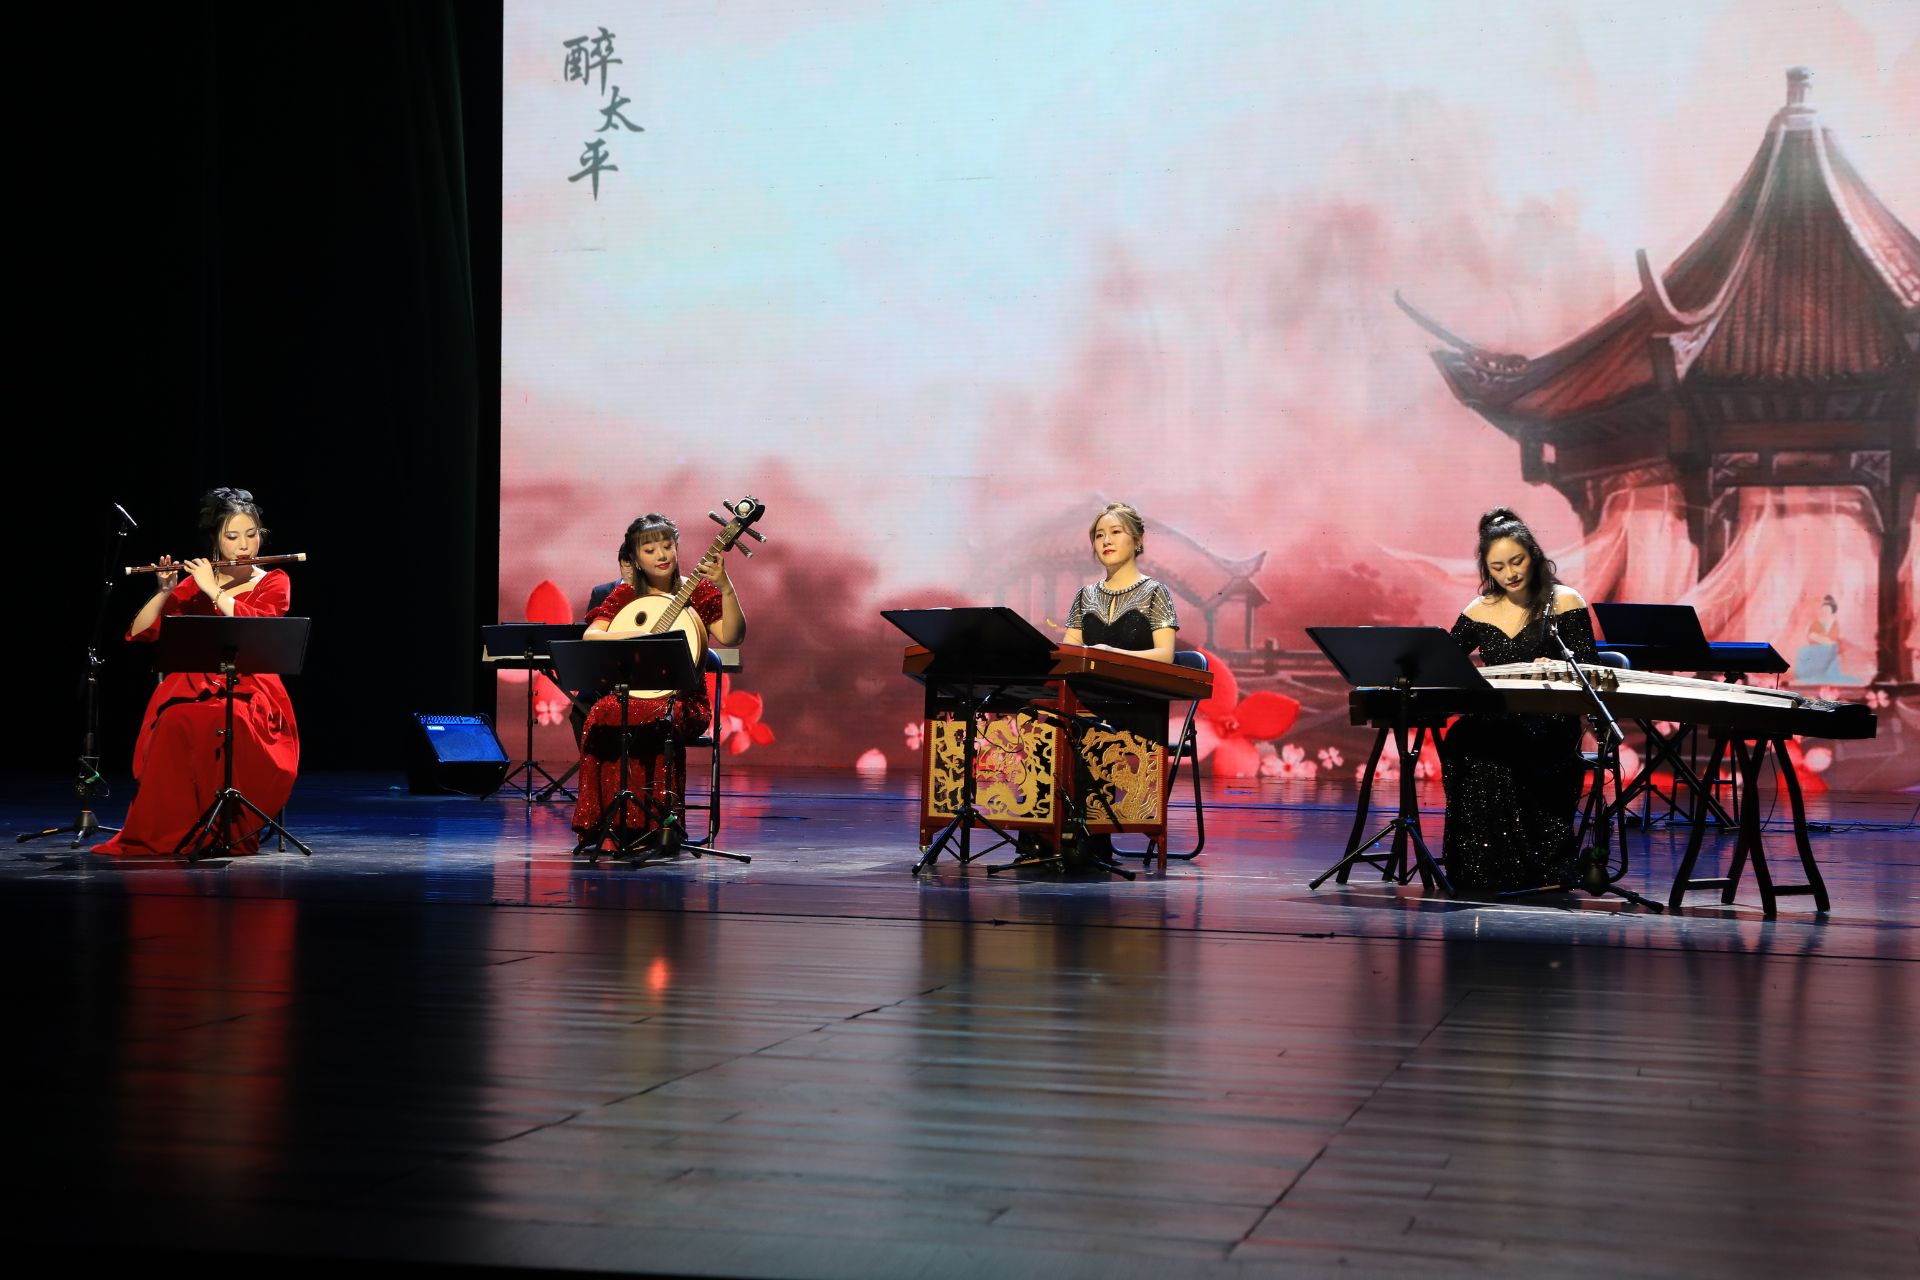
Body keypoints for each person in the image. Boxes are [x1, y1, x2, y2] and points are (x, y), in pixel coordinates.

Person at [96, 488, 299, 856]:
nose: (244, 545)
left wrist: (214, 592)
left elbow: (262, 628)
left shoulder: (274, 581)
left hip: (252, 691)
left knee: (227, 720)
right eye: (232, 536)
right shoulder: (194, 582)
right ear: (215, 539)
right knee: (177, 719)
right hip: (195, 685)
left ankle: (228, 827)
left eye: (251, 535)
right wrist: (164, 591)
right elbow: (140, 633)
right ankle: (177, 828)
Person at [1440, 507, 1596, 893]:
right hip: (1499, 717)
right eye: (1497, 567)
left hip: (1550, 720)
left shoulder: (1564, 601)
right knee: (1464, 737)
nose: (1509, 573)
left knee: (1504, 744)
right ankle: (1481, 867)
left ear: (1535, 556)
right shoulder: (1481, 610)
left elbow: (1588, 668)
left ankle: (1532, 866)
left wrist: (1557, 665)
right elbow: (1442, 660)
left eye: (1517, 561)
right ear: (1487, 570)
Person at [571, 513, 745, 848]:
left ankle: (658, 825)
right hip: (632, 695)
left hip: (684, 700)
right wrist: (640, 637)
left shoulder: (700, 591)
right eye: (650, 550)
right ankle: (607, 823)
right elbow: (593, 636)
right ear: (635, 558)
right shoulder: (625, 596)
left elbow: (733, 635)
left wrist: (725, 586)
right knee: (601, 713)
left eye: (667, 546)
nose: (661, 555)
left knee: (657, 717)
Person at [1061, 502, 1179, 662]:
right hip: (1088, 685)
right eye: (1099, 535)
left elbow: (1165, 656)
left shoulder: (1154, 592)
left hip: (1136, 685)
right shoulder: (1085, 595)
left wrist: (1111, 654)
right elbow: (1068, 654)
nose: (1106, 541)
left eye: (1116, 532)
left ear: (1138, 540)